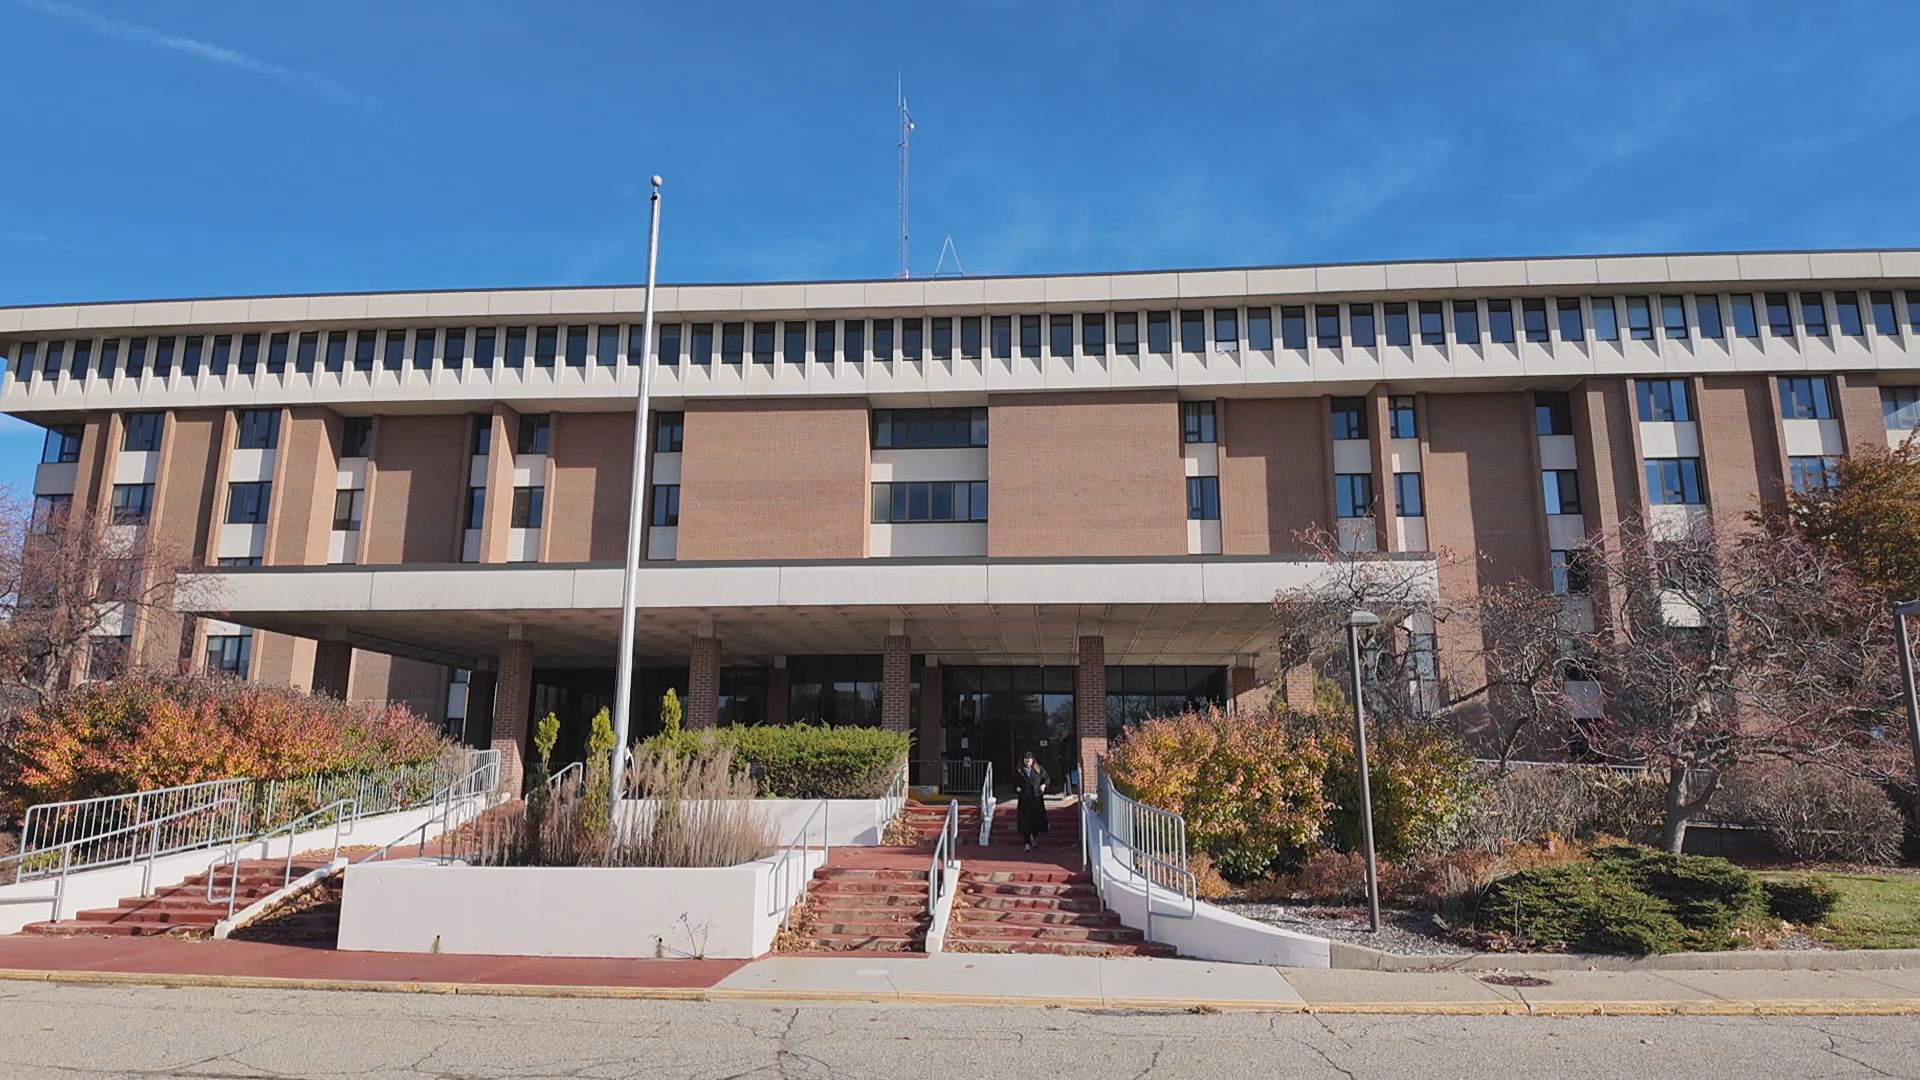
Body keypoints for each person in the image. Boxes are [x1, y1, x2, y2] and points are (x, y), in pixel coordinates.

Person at [1013, 751, 1051, 851]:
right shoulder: (1019, 771)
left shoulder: (1039, 769)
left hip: (1036, 798)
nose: (1027, 763)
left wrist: (1044, 785)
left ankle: (1034, 836)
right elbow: (1014, 782)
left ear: (1033, 761)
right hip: (1025, 799)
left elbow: (1047, 778)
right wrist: (1017, 788)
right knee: (1025, 821)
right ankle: (1026, 843)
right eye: (1026, 761)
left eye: (1029, 761)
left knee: (1036, 820)